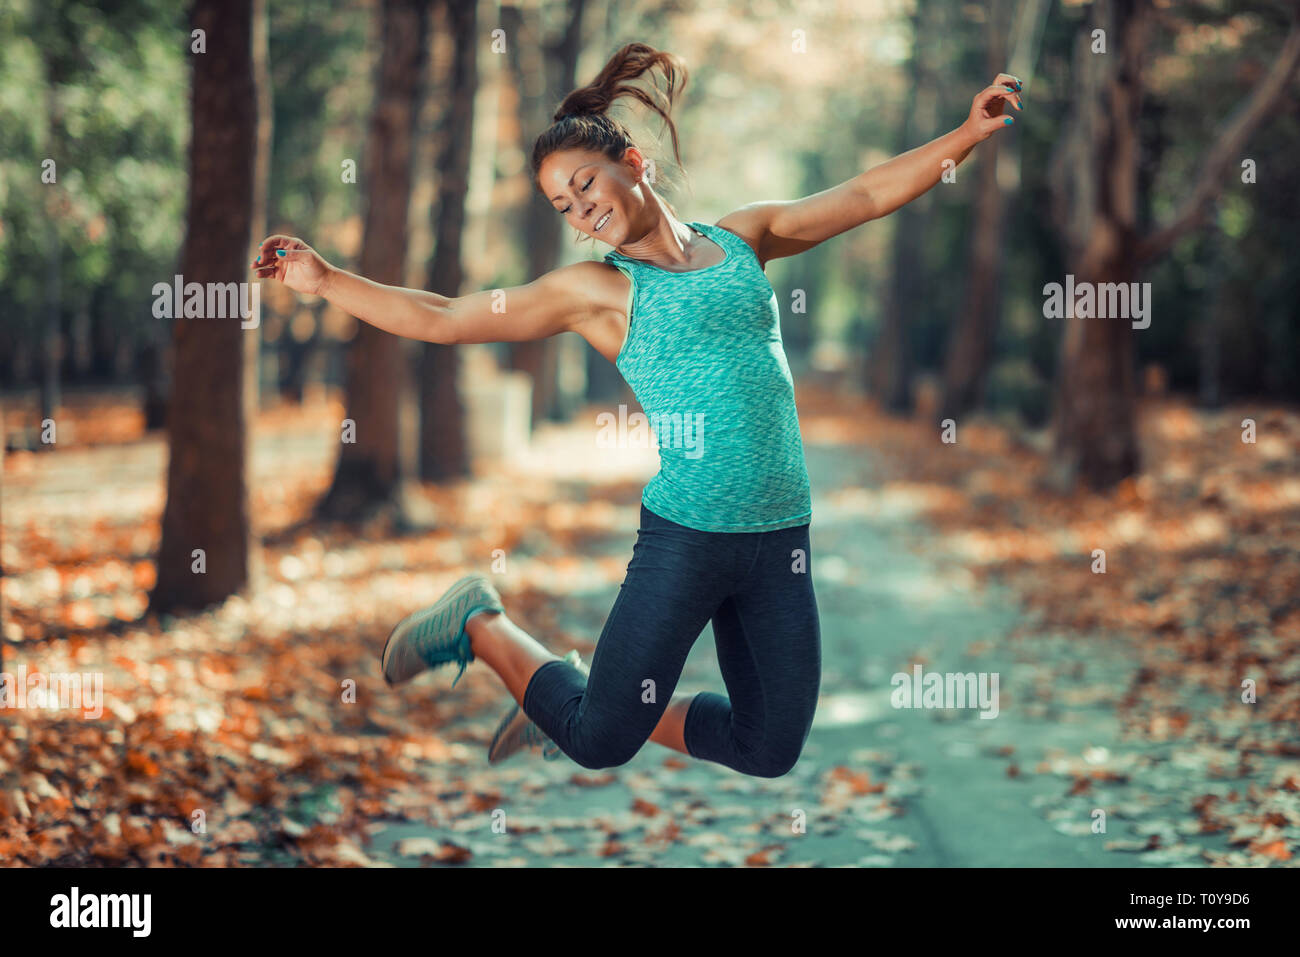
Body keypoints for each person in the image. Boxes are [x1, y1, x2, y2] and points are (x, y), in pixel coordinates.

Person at [251, 42, 1023, 777]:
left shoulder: (745, 238)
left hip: (781, 539)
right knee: (594, 739)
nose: (581, 211)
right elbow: (448, 316)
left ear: (633, 162)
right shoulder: (598, 293)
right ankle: (480, 623)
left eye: (585, 185)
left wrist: (966, 133)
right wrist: (327, 282)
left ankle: (584, 692)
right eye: (563, 205)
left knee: (770, 744)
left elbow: (862, 195)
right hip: (688, 541)